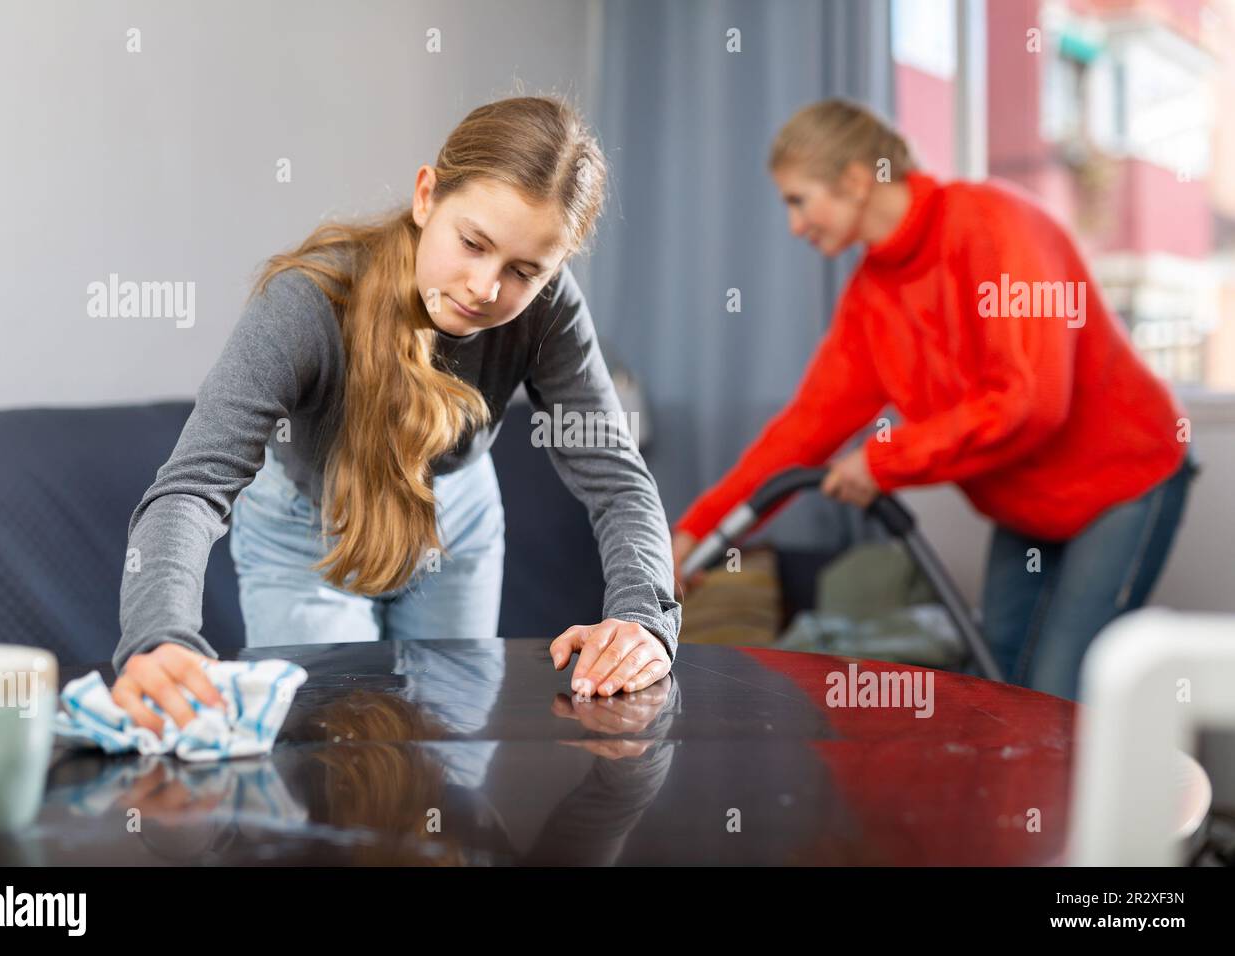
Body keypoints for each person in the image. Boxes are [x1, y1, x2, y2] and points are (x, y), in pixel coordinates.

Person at [113, 96, 680, 735]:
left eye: (524, 271)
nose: (484, 288)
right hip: (306, 531)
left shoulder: (550, 312)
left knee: (449, 759)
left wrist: (644, 620)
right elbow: (190, 490)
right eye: (472, 243)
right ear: (425, 196)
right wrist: (159, 637)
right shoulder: (307, 305)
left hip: (455, 523)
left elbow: (616, 475)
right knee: (333, 759)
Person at [672, 99, 1195, 701]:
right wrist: (697, 532)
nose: (794, 225)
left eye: (797, 200)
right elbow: (802, 432)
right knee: (995, 684)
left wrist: (882, 462)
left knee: (1060, 690)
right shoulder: (872, 298)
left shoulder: (995, 226)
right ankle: (1021, 801)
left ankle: (1114, 797)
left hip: (1125, 480)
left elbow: (1030, 401)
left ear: (854, 180)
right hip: (1028, 507)